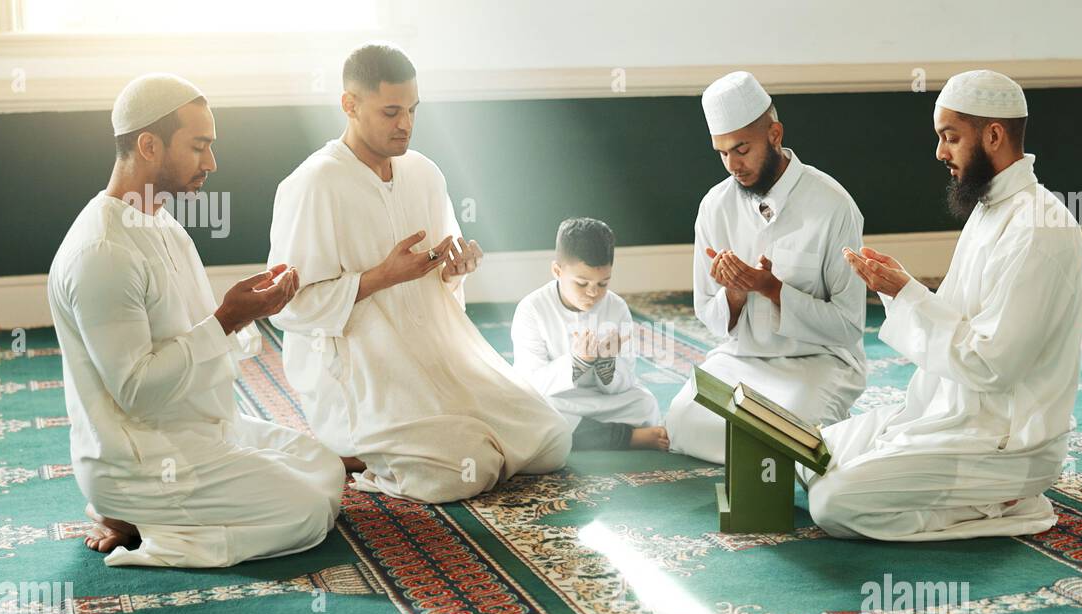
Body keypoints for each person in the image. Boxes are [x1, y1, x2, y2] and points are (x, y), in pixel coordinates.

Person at [47, 73, 346, 567]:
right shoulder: (102, 251)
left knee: (326, 468)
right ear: (148, 145)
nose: (212, 162)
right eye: (199, 146)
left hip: (195, 427)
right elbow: (136, 390)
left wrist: (251, 309)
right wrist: (227, 319)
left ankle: (146, 514)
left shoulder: (159, 220)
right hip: (138, 457)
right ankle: (155, 528)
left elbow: (192, 333)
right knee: (309, 511)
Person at [268, 44, 571, 503]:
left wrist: (455, 270)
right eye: (391, 112)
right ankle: (353, 451)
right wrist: (381, 277)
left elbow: (441, 274)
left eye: (412, 110)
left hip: (436, 350)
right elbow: (289, 308)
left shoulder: (424, 172)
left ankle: (413, 441)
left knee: (550, 437)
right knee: (463, 470)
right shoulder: (314, 184)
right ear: (349, 105)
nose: (405, 124)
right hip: (363, 373)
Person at [802, 69, 1082, 541]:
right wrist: (901, 288)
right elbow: (962, 320)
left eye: (950, 137)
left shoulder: (1039, 228)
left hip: (1008, 444)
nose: (940, 152)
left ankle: (1005, 504)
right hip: (953, 414)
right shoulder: (991, 207)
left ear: (993, 135)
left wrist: (909, 295)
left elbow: (992, 364)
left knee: (834, 503)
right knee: (812, 453)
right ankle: (951, 486)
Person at [664, 71, 867, 464]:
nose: (732, 165)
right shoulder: (714, 207)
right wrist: (736, 293)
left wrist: (773, 289)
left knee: (791, 442)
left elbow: (848, 326)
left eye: (741, 149)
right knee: (682, 425)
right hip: (742, 360)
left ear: (774, 134)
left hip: (818, 362)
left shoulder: (833, 205)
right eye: (721, 153)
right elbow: (708, 314)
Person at [511, 217, 667, 451]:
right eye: (582, 284)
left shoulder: (617, 308)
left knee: (645, 404)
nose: (593, 293)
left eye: (603, 284)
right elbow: (531, 383)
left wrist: (606, 363)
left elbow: (626, 382)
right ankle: (628, 438)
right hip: (556, 400)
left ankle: (590, 436)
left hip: (602, 401)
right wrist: (578, 361)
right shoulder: (532, 308)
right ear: (557, 271)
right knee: (524, 410)